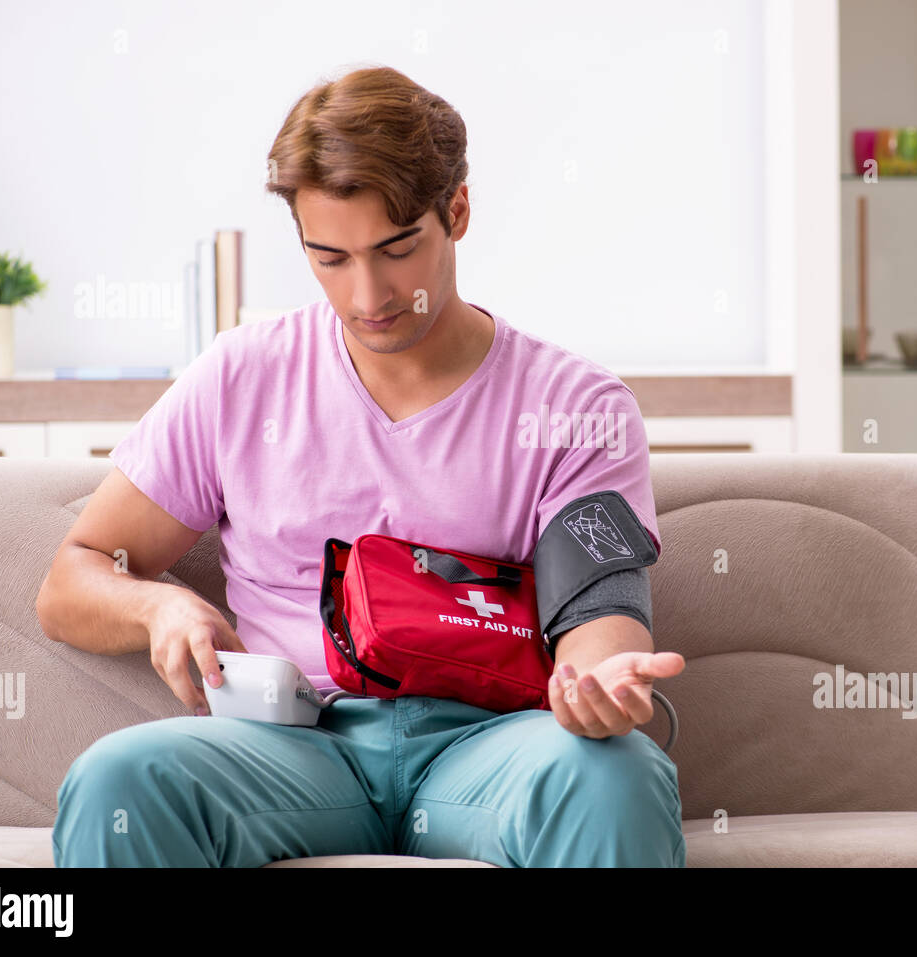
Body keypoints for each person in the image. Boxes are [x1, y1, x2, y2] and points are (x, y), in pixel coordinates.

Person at [38, 64, 686, 868]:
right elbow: (73, 575)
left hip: (495, 749)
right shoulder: (241, 377)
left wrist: (596, 688)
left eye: (396, 248)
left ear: (457, 210)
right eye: (330, 258)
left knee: (616, 777)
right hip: (293, 747)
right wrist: (155, 611)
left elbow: (600, 626)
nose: (368, 294)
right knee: (118, 778)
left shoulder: (575, 403)